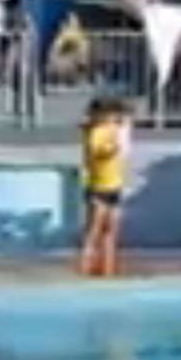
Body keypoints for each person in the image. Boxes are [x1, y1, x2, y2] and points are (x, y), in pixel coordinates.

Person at [79, 98, 130, 276]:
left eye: (114, 115)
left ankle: (108, 270)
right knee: (94, 231)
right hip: (98, 186)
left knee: (111, 231)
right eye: (109, 114)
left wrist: (120, 135)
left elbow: (122, 150)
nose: (112, 118)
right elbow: (97, 153)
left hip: (114, 185)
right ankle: (85, 269)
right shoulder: (95, 132)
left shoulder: (115, 130)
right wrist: (113, 147)